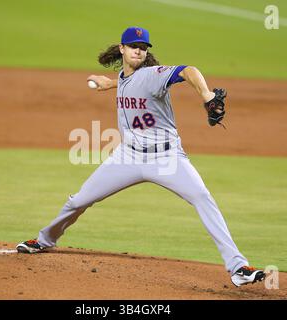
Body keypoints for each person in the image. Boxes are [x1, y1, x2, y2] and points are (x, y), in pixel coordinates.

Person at [17, 27, 265, 287]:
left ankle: (238, 267)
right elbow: (128, 82)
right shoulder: (125, 78)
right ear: (122, 49)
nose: (139, 50)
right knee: (79, 200)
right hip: (127, 157)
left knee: (203, 198)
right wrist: (109, 83)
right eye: (134, 45)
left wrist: (206, 95)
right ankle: (45, 240)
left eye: (144, 47)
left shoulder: (153, 75)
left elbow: (188, 70)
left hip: (168, 159)